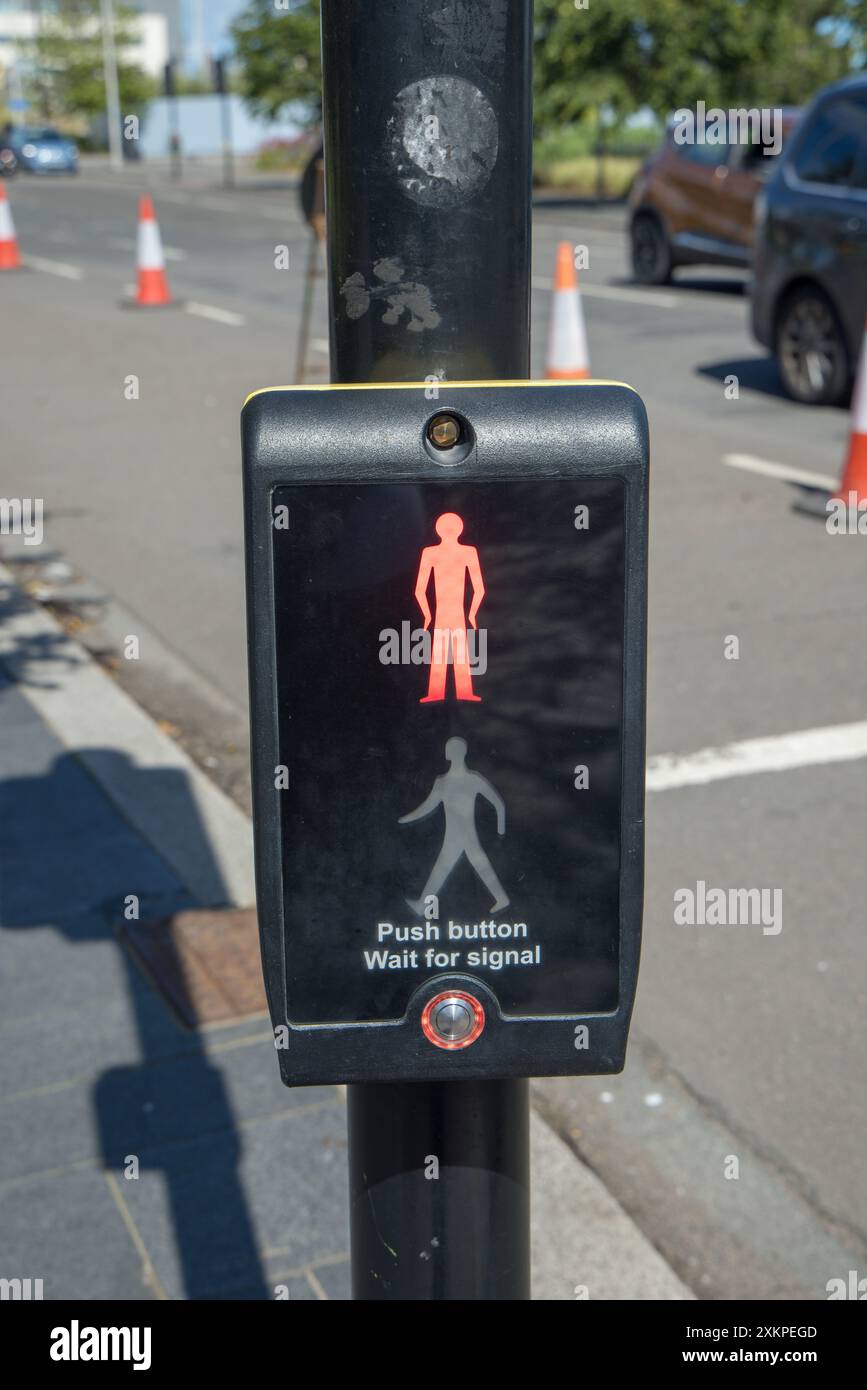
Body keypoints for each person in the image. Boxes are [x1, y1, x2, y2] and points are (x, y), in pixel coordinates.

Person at [400, 737, 509, 914]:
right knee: (451, 868)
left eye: (449, 748)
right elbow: (428, 806)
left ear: (456, 753)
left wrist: (501, 829)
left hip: (464, 835)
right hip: (454, 836)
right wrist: (408, 818)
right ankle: (501, 899)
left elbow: (498, 803)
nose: (446, 751)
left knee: (457, 867)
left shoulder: (473, 779)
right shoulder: (442, 782)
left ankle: (422, 905)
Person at [412, 512, 484, 701]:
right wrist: (472, 614)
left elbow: (419, 591)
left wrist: (427, 615)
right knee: (458, 652)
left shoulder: (431, 553)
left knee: (441, 653)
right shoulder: (468, 552)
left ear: (438, 530)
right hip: (457, 612)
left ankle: (437, 693)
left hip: (442, 613)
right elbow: (480, 590)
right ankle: (462, 692)